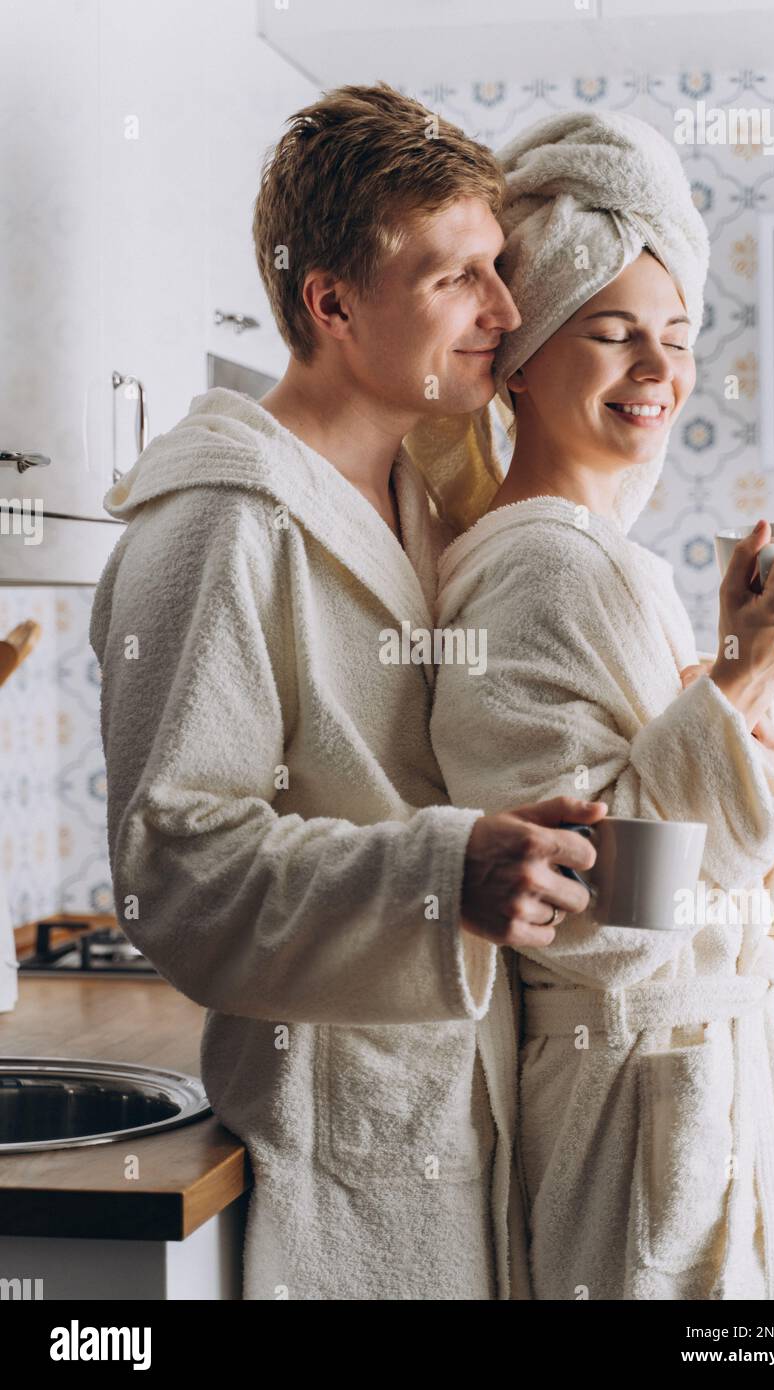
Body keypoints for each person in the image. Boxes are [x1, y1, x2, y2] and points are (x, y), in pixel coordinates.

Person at [88, 83, 604, 1301]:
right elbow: (175, 867)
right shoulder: (216, 526)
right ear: (329, 301)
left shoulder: (424, 498)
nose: (504, 309)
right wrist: (441, 874)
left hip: (457, 1099)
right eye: (454, 279)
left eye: (497, 269)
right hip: (336, 1132)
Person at [418, 110, 774, 1299]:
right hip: (643, 1121)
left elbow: (660, 806)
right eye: (611, 335)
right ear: (522, 353)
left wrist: (725, 672)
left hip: (690, 1093)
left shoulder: (608, 560)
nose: (658, 372)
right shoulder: (540, 563)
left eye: (674, 335)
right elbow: (588, 911)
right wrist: (745, 679)